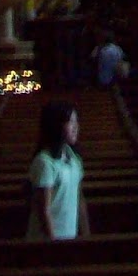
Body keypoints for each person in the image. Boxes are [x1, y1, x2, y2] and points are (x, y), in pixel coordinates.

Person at [27, 101, 89, 240]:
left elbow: (80, 199)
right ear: (57, 126)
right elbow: (44, 210)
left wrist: (86, 235)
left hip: (69, 235)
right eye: (70, 122)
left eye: (76, 122)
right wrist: (54, 244)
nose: (76, 127)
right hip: (47, 240)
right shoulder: (45, 162)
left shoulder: (74, 159)